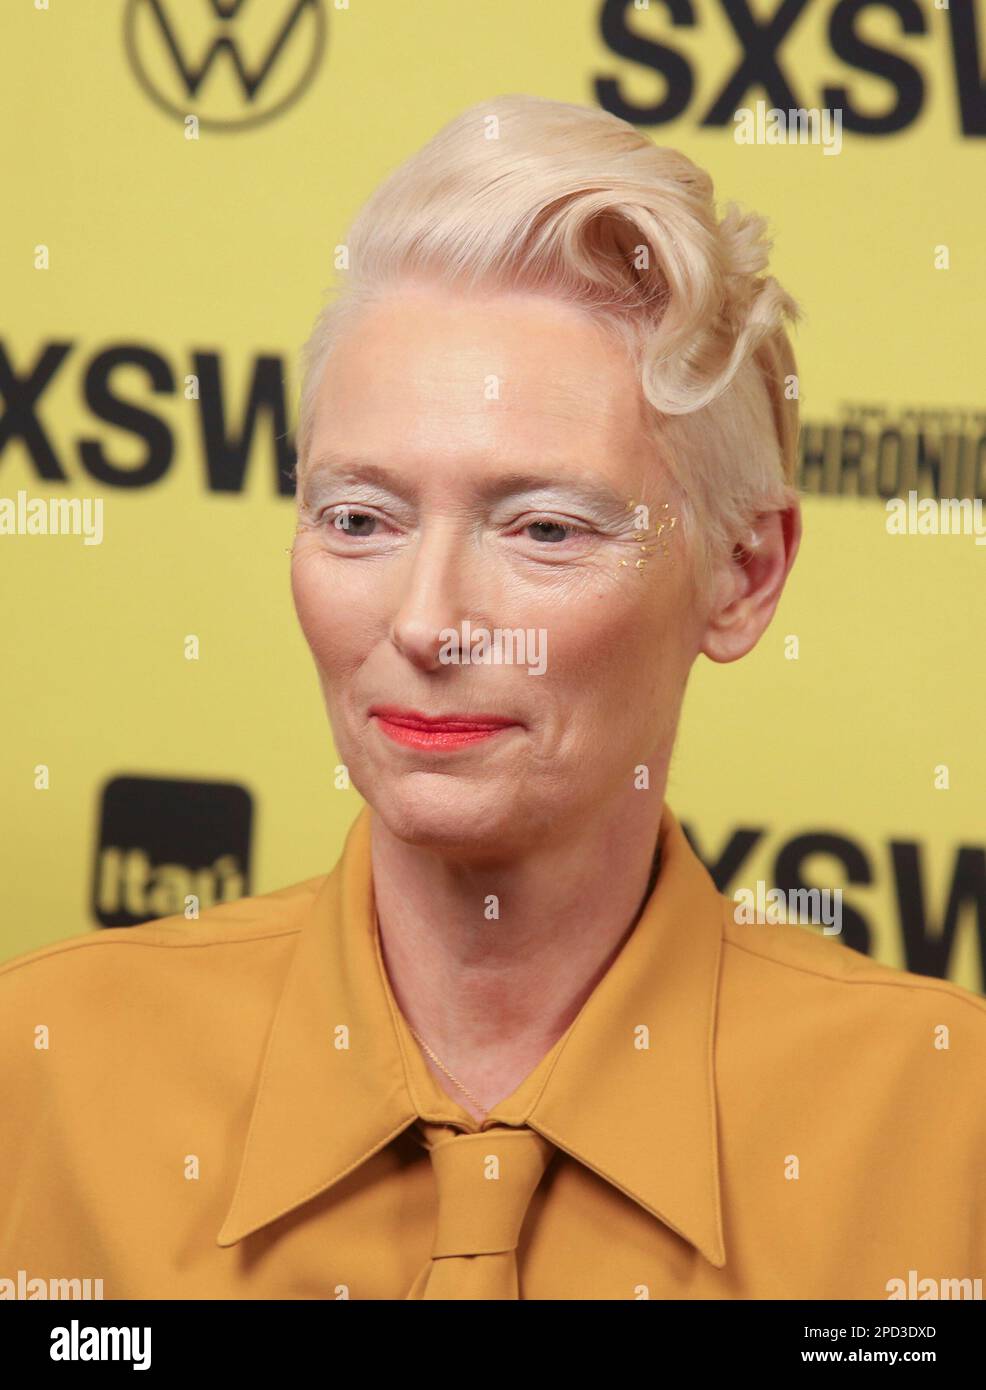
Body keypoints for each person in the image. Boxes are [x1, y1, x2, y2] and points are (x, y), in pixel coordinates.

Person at [2, 94, 984, 1302]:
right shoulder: (41, 1072)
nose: (424, 622)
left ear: (741, 571)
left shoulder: (949, 1138)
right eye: (358, 517)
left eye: (543, 528)